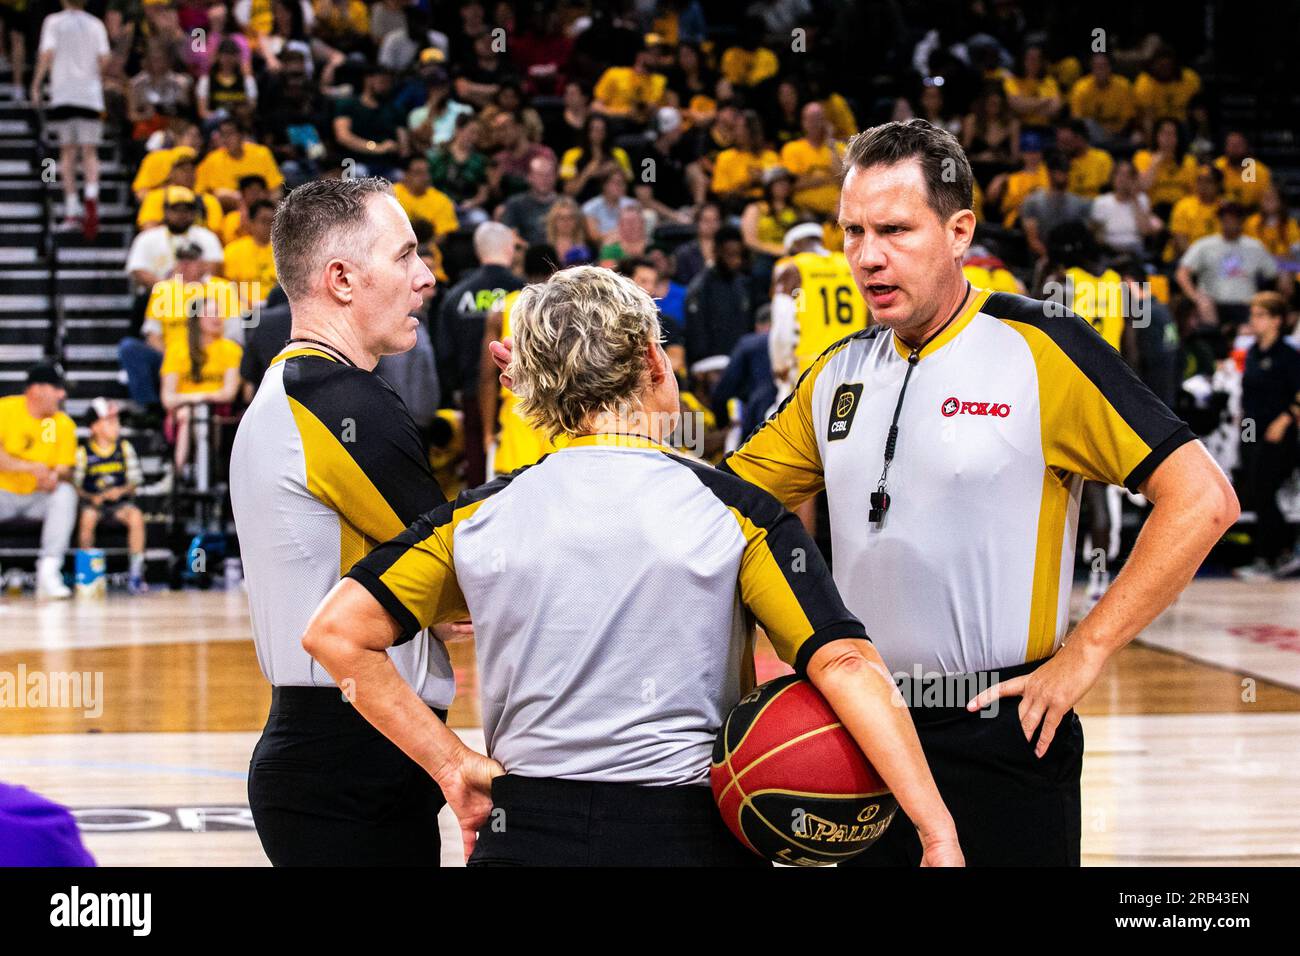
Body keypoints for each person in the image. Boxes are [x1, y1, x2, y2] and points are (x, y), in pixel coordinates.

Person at [492, 119, 1242, 866]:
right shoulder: (836, 371)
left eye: (894, 230)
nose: (867, 257)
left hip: (1002, 728)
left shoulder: (1041, 348)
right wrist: (577, 405)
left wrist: (1087, 652)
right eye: (852, 232)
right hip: (854, 734)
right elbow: (706, 505)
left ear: (959, 231)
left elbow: (1202, 500)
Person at [304, 264, 963, 867]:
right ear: (653, 359)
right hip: (685, 832)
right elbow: (845, 665)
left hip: (523, 829)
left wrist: (451, 765)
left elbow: (336, 634)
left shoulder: (477, 518)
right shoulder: (737, 513)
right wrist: (936, 830)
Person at [230, 176, 467, 867]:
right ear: (340, 278)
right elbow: (463, 566)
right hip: (347, 757)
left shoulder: (299, 390)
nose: (425, 279)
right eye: (405, 256)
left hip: (342, 752)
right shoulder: (335, 397)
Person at [437, 221, 526, 487]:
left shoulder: (455, 296)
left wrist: (456, 390)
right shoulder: (528, 295)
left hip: (473, 395)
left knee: (479, 476)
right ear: (510, 249)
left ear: (478, 251)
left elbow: (444, 352)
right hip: (521, 397)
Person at [1233, 292, 1300, 580]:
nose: (1254, 321)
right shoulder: (1252, 352)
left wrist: (1284, 421)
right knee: (1255, 491)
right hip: (1251, 431)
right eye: (1253, 314)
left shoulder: (1288, 355)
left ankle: (1271, 555)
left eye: (1261, 315)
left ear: (1277, 320)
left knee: (1265, 490)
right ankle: (1280, 552)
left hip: (1278, 434)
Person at [29, 0, 110, 237]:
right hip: (89, 95)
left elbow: (47, 53)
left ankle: (72, 210)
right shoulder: (96, 24)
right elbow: (104, 59)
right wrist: (93, 76)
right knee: (90, 152)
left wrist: (36, 84)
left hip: (63, 93)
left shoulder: (53, 22)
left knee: (67, 152)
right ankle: (91, 198)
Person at [0, 363, 77, 599]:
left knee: (65, 493)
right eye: (57, 388)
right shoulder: (5, 409)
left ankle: (49, 570)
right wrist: (30, 467)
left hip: (38, 497)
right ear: (37, 389)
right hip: (4, 492)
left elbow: (65, 467)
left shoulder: (62, 423)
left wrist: (55, 476)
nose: (62, 394)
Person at [1176, 201, 1284, 345]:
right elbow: (1182, 273)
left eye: (1234, 219)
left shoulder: (1254, 246)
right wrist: (1196, 298)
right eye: (1226, 219)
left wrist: (1271, 300)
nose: (1230, 223)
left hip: (1246, 306)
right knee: (1204, 309)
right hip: (1212, 306)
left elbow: (1274, 274)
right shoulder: (1205, 245)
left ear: (1242, 221)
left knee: (1260, 314)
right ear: (1220, 221)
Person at [160, 297, 243, 477]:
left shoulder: (231, 350)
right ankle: (180, 474)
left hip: (218, 414)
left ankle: (184, 474)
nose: (217, 318)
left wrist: (196, 398)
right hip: (181, 415)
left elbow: (228, 394)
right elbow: (167, 398)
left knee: (199, 415)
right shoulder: (177, 349)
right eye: (211, 313)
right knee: (188, 414)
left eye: (219, 313)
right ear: (197, 318)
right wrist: (199, 399)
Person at [73, 398, 147, 594]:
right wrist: (91, 496)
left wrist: (121, 491)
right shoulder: (83, 453)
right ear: (94, 427)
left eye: (117, 421)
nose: (117, 426)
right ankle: (87, 573)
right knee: (87, 519)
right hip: (94, 504)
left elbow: (135, 481)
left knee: (136, 516)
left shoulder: (124, 448)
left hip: (120, 504)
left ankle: (136, 573)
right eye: (110, 421)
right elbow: (76, 486)